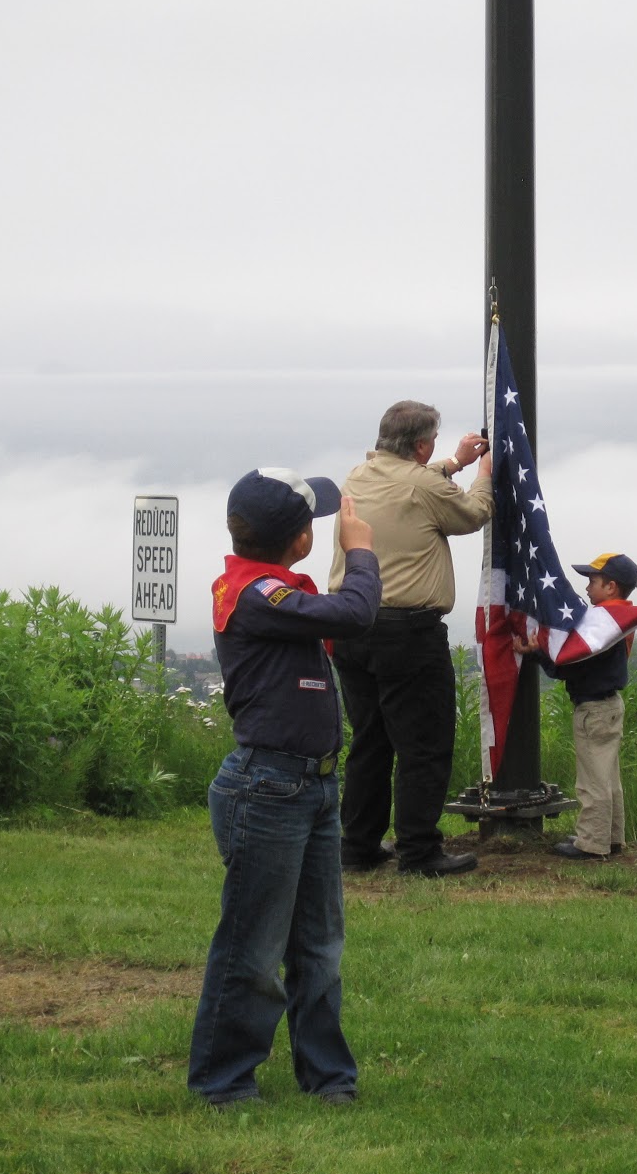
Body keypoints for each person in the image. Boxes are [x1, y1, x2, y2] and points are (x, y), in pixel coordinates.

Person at [187, 467, 381, 1108]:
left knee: (319, 946)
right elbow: (354, 613)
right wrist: (360, 550)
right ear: (298, 539)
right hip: (267, 789)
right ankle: (223, 1084)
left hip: (311, 786)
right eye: (314, 522)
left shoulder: (269, 585)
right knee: (253, 948)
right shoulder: (255, 595)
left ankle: (329, 1080)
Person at [328, 401, 492, 877]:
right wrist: (483, 472)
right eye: (434, 443)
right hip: (407, 632)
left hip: (351, 626)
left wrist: (453, 463)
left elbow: (413, 484)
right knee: (423, 744)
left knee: (371, 740)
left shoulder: (359, 475)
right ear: (421, 445)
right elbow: (473, 512)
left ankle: (357, 844)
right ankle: (419, 851)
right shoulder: (423, 485)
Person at [511, 553, 637, 860]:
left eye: (592, 582)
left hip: (594, 710)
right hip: (609, 705)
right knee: (608, 778)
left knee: (592, 780)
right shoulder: (616, 621)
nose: (585, 588)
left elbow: (568, 666)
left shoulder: (600, 627)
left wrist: (539, 652)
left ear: (611, 587)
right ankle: (610, 838)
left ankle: (591, 844)